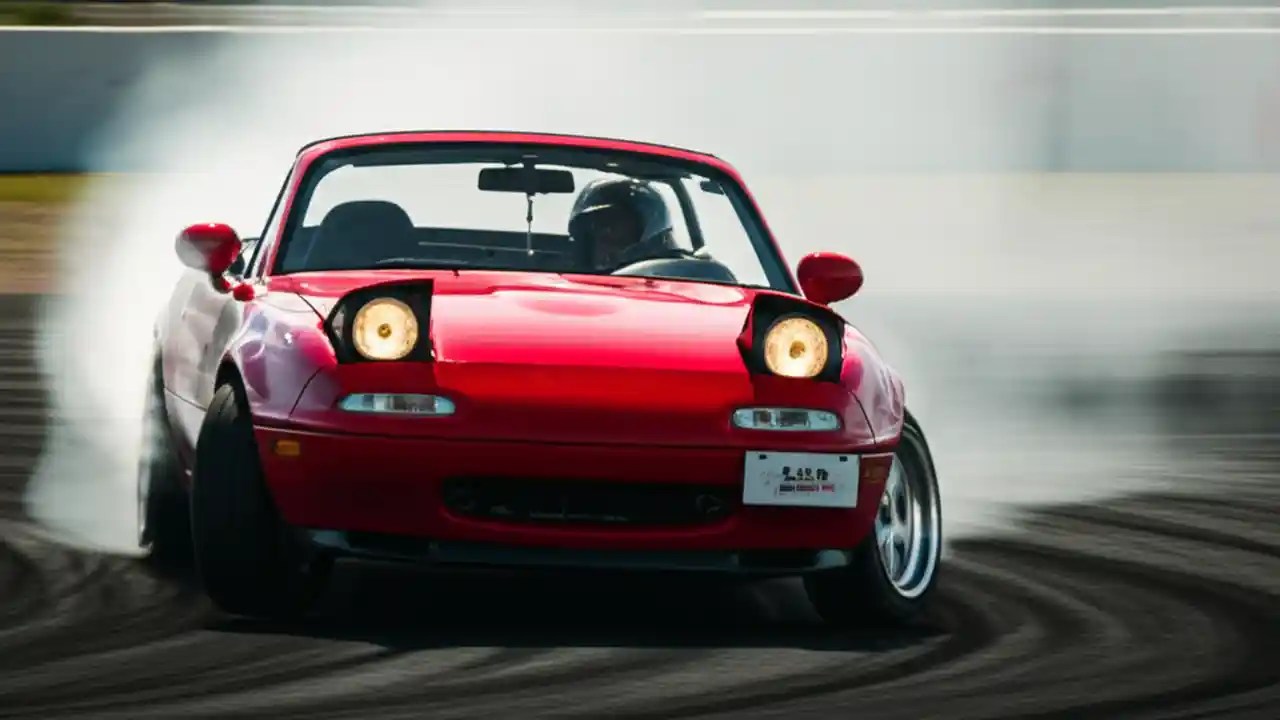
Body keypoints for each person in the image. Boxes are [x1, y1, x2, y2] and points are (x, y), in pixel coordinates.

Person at [567, 177, 682, 272]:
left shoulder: (675, 281)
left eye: (614, 223)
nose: (605, 231)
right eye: (596, 226)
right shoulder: (565, 289)